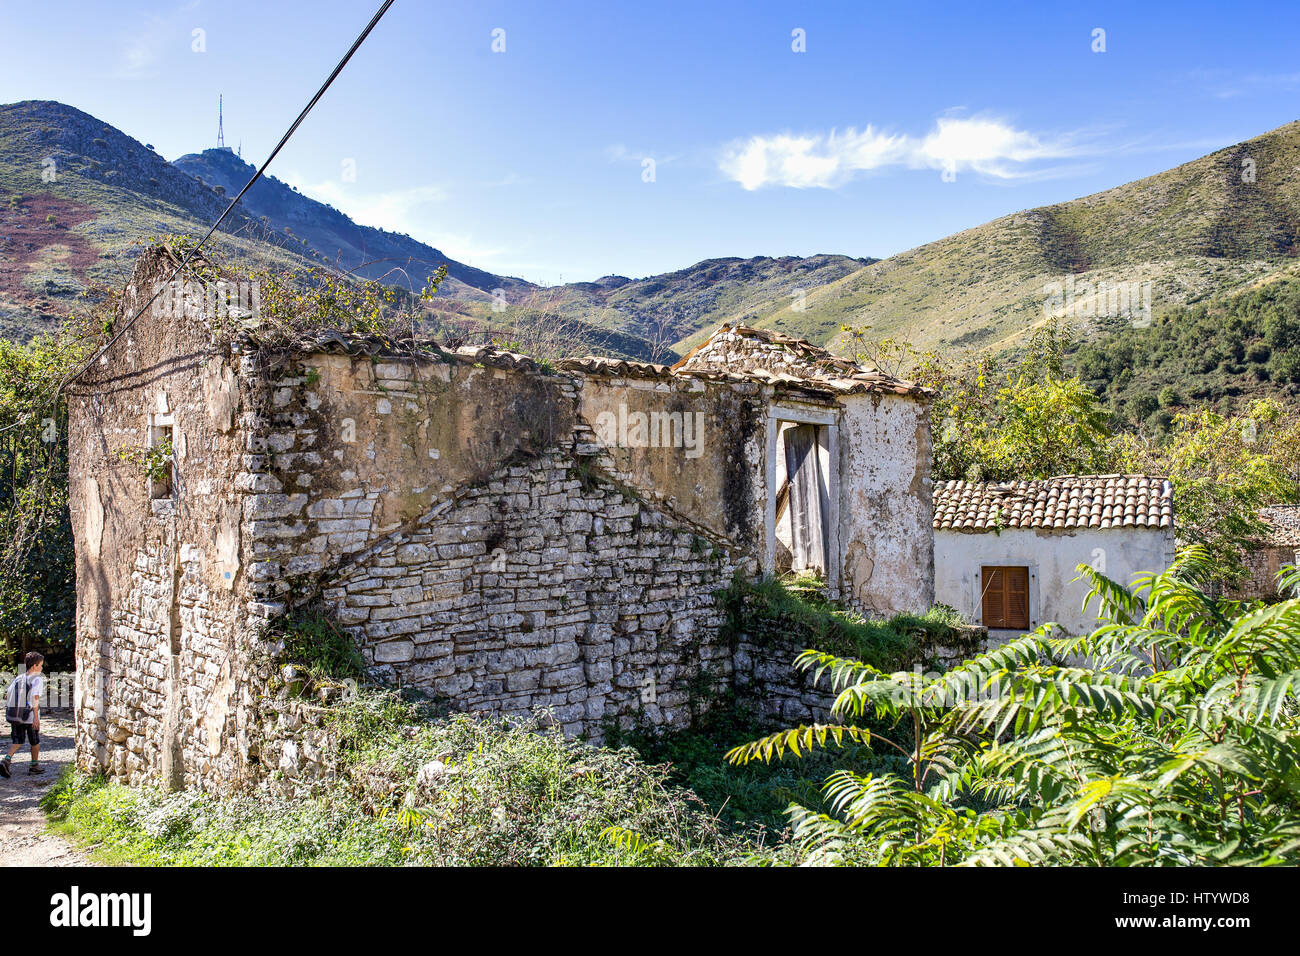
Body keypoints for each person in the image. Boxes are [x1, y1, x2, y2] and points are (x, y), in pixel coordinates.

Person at [2, 652, 45, 777]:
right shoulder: (37, 679)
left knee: (18, 740)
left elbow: (8, 694)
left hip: (16, 715)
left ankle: (6, 760)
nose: (42, 668)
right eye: (40, 665)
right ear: (34, 666)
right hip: (29, 716)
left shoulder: (19, 678)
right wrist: (36, 718)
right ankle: (34, 766)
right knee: (35, 741)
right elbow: (35, 698)